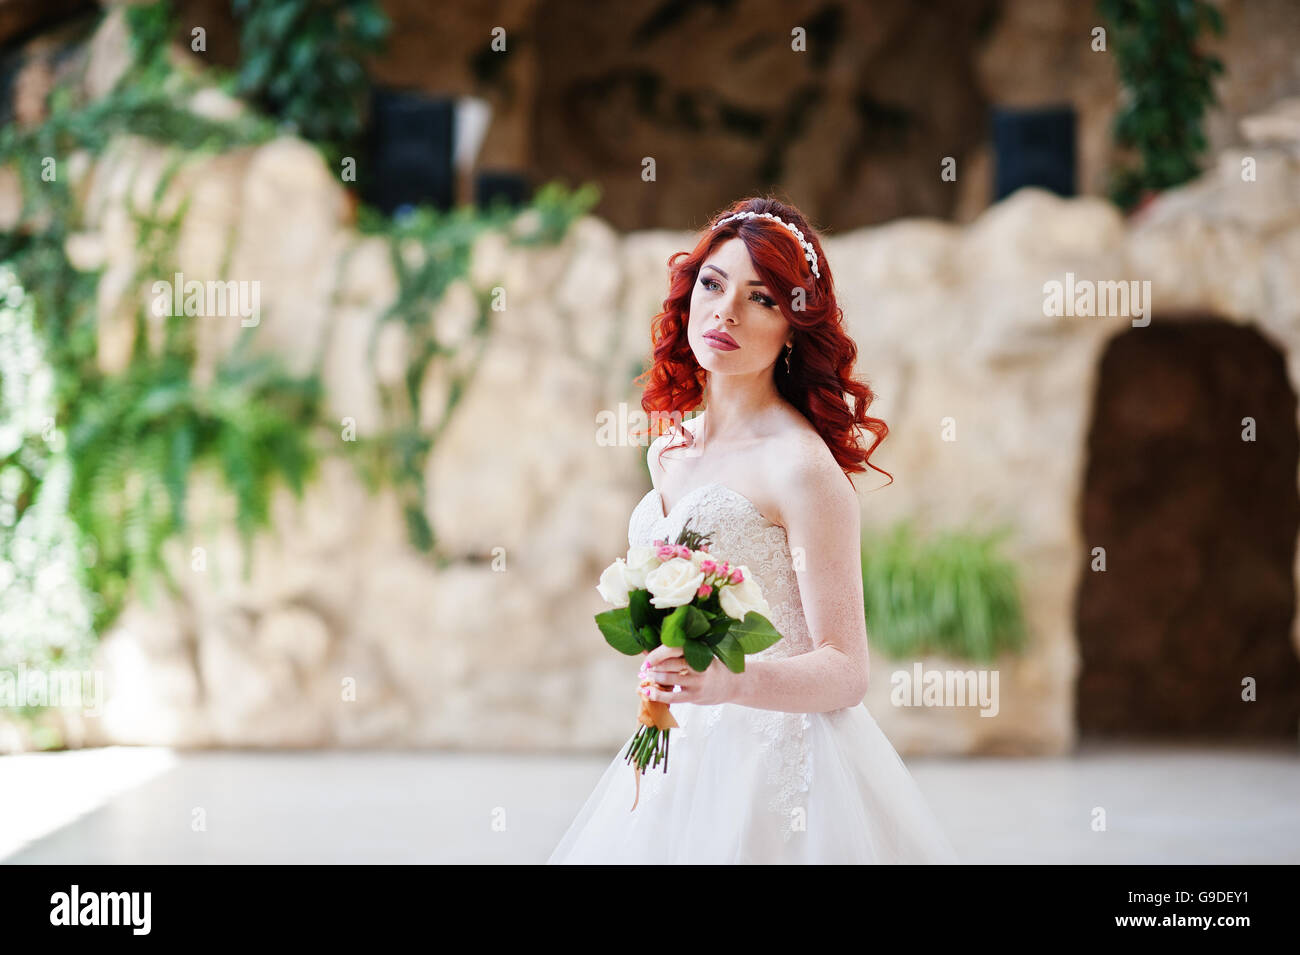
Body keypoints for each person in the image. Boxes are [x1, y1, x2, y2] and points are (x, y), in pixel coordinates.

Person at [547, 197, 960, 864]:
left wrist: (729, 683)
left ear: (794, 327)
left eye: (761, 298)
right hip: (683, 750)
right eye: (713, 284)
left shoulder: (800, 467)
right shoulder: (669, 449)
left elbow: (846, 670)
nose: (726, 311)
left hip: (784, 766)